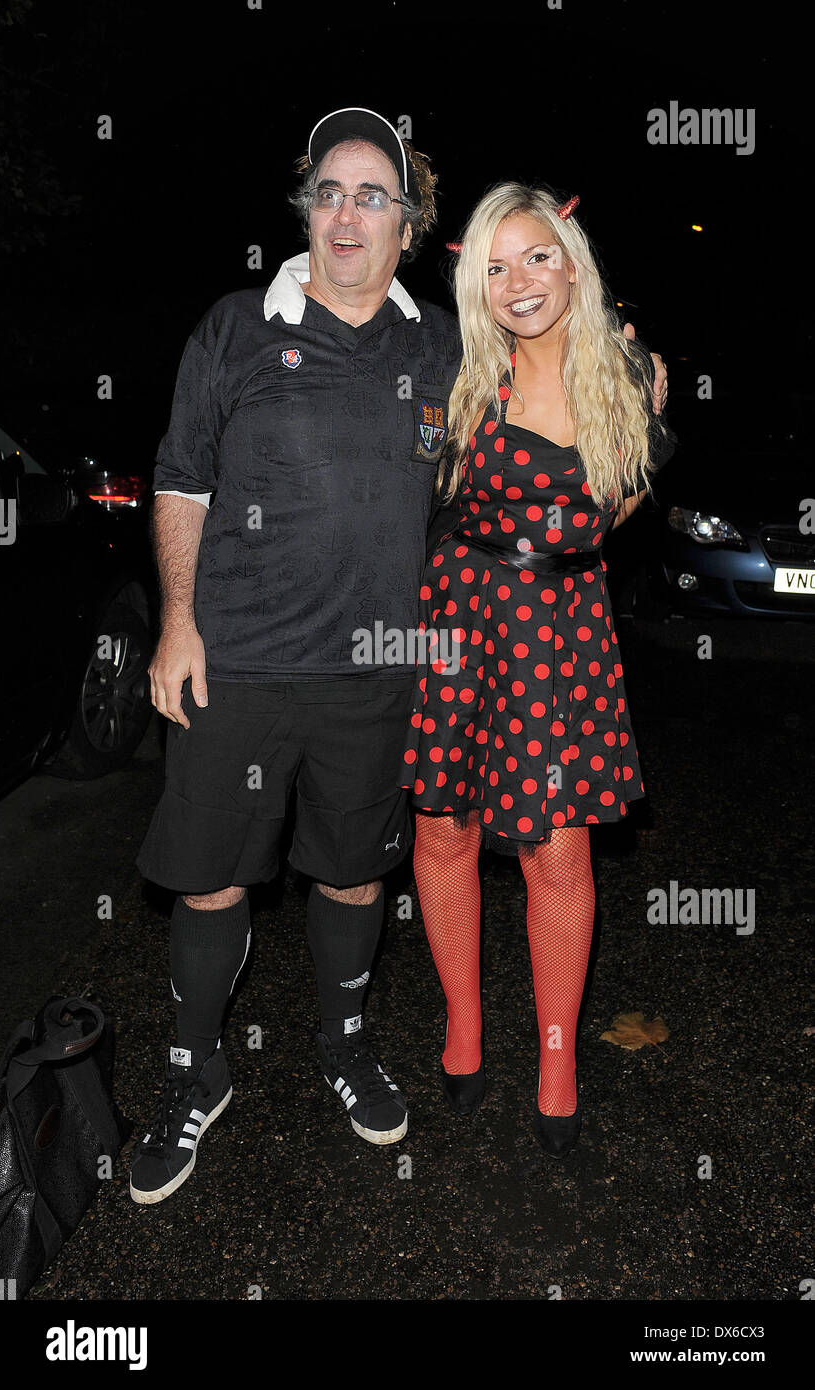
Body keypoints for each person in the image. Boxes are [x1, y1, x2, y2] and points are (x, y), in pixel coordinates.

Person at [131, 110, 667, 1204]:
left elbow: (590, 437)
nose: (348, 213)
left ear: (408, 226)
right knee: (216, 878)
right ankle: (195, 1073)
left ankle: (352, 1048)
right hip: (253, 659)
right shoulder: (241, 326)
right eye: (330, 191)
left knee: (357, 869)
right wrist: (176, 621)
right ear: (305, 209)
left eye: (372, 195)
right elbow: (181, 475)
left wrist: (642, 376)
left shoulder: (441, 348)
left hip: (398, 663)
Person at [401, 182, 675, 1158]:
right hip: (460, 618)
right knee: (444, 828)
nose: (518, 281)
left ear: (571, 263)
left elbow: (614, 514)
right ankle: (463, 1023)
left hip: (559, 628)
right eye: (494, 265)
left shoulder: (630, 374)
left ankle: (558, 1061)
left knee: (555, 851)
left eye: (536, 256)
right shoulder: (459, 373)